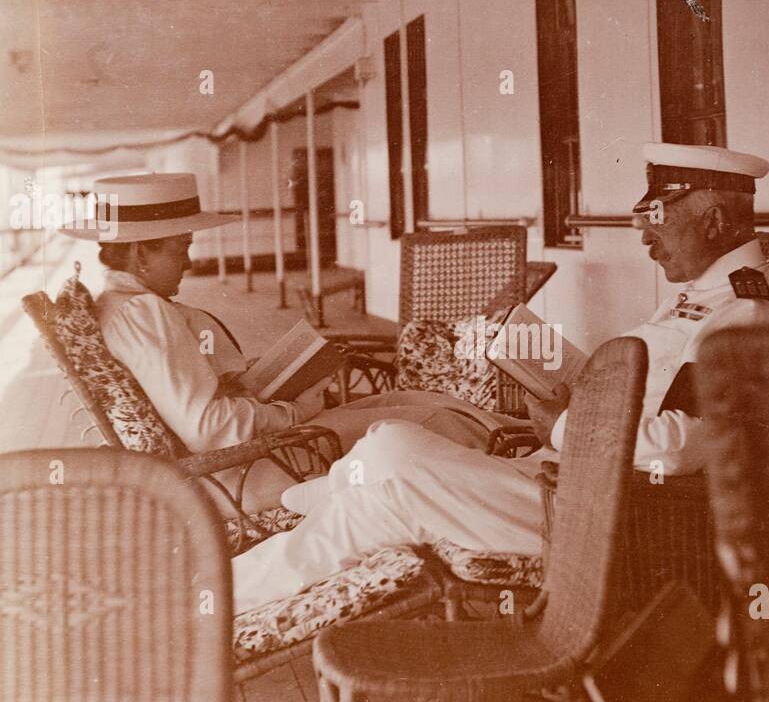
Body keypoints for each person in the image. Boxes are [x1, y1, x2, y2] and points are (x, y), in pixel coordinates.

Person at [232, 143, 769, 611]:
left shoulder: (743, 314)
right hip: (569, 481)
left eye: (660, 224)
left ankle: (215, 598)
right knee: (389, 442)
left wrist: (562, 425)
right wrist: (576, 394)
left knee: (386, 499)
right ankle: (301, 515)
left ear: (714, 221)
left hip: (607, 512)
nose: (648, 241)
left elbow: (678, 448)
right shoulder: (702, 298)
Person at [63, 172, 505, 513]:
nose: (189, 261)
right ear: (141, 254)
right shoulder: (144, 314)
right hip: (248, 475)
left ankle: (511, 458)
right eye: (181, 247)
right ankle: (507, 493)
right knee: (427, 422)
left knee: (412, 398)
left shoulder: (124, 307)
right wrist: (297, 409)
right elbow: (211, 430)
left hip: (248, 463)